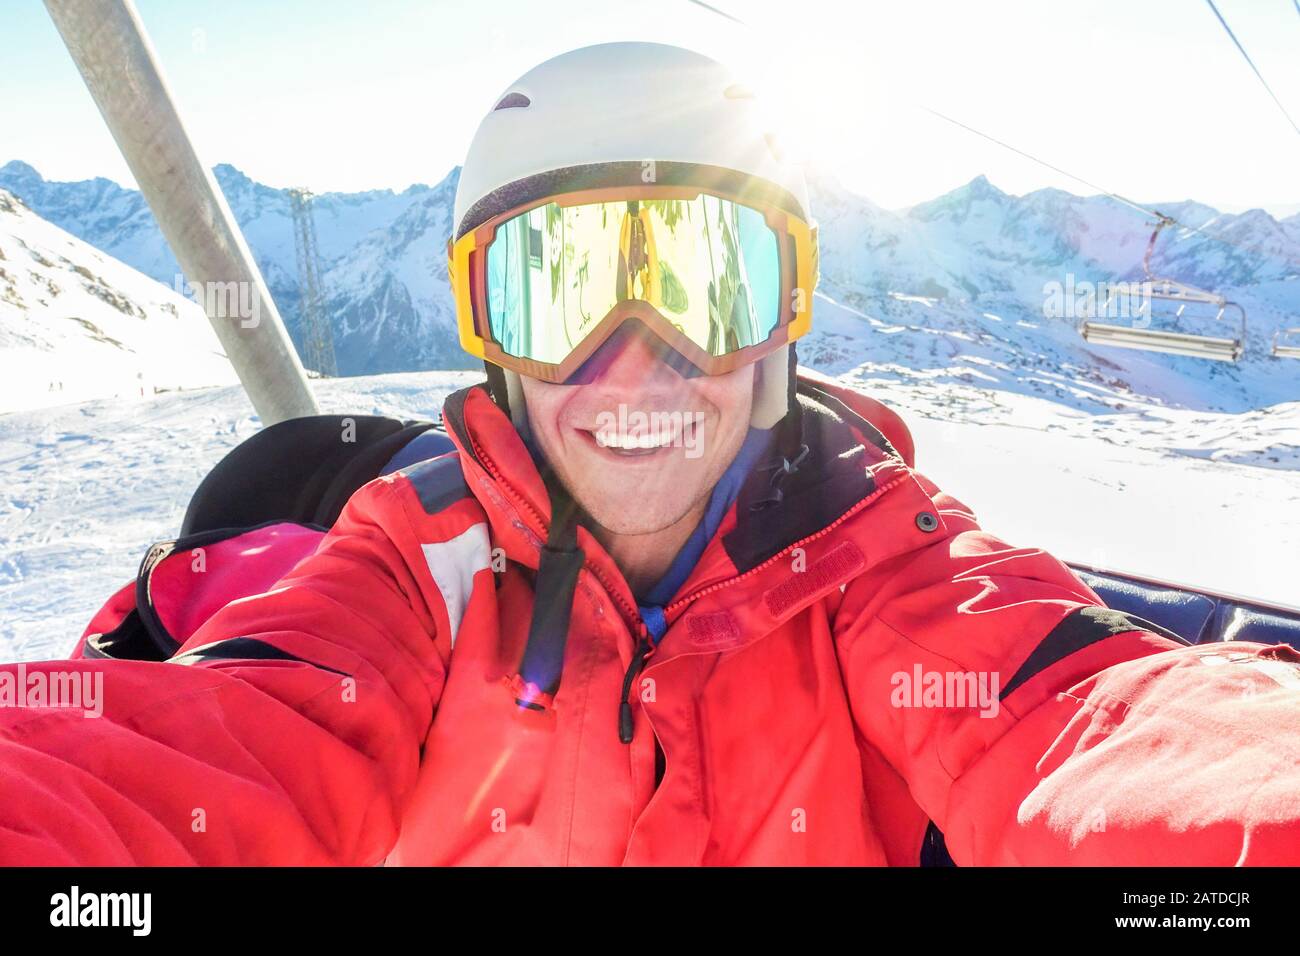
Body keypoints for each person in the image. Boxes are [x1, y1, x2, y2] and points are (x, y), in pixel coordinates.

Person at [2, 42, 1298, 866]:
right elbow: (223, 743)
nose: (638, 358)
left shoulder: (874, 563)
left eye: (702, 280)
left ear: (783, 312)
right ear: (487, 335)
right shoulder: (415, 575)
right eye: (559, 287)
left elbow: (1080, 721)